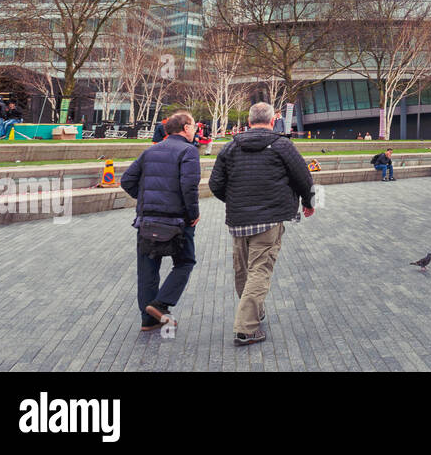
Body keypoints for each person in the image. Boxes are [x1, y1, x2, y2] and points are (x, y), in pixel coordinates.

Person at [208, 102, 316, 347]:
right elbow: (303, 177)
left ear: (248, 122)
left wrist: (237, 200)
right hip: (269, 219)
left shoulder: (230, 147)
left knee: (243, 269)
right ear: (271, 122)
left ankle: (253, 312)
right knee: (259, 271)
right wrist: (309, 202)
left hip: (239, 220)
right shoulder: (282, 145)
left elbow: (215, 184)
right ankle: (246, 328)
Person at [121, 110, 201, 331]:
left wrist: (148, 200)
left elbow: (127, 180)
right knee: (185, 263)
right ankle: (160, 304)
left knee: (147, 268)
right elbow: (189, 188)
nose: (195, 129)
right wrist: (193, 215)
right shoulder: (189, 151)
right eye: (193, 125)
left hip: (147, 221)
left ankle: (148, 320)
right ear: (185, 128)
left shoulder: (150, 151)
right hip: (177, 222)